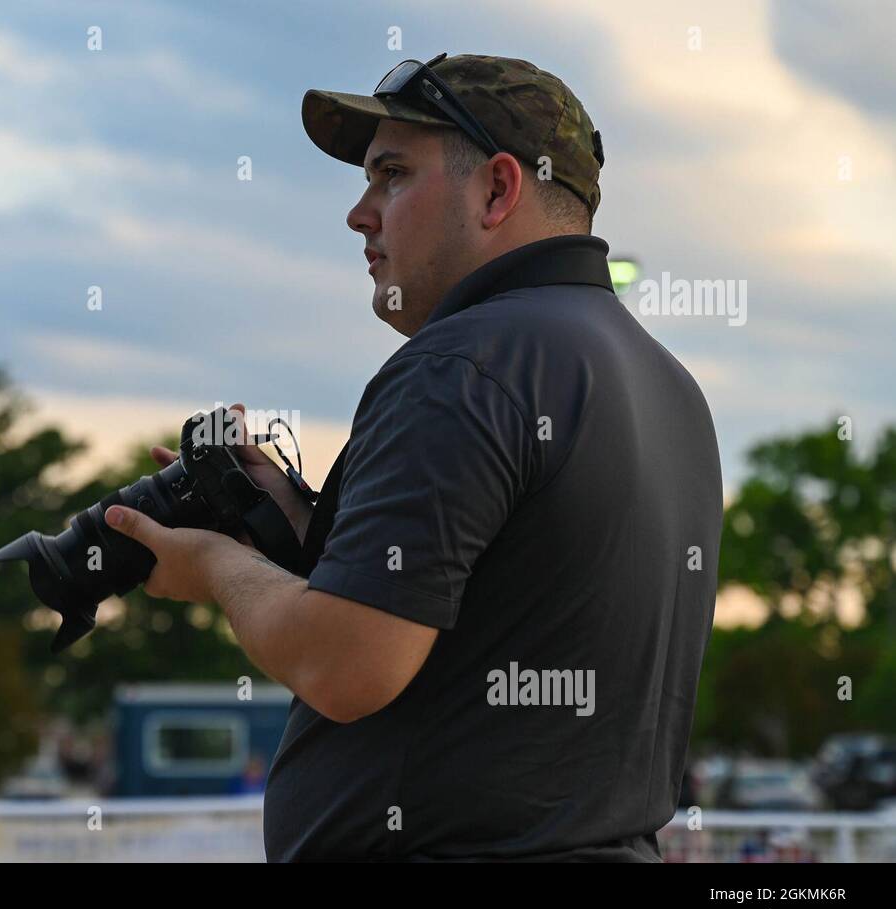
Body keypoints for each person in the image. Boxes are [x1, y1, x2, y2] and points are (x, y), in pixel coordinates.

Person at [104, 53, 722, 862]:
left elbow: (348, 665)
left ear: (499, 189)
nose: (360, 214)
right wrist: (300, 527)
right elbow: (498, 616)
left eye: (392, 175)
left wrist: (215, 566)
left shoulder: (461, 364)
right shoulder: (668, 386)